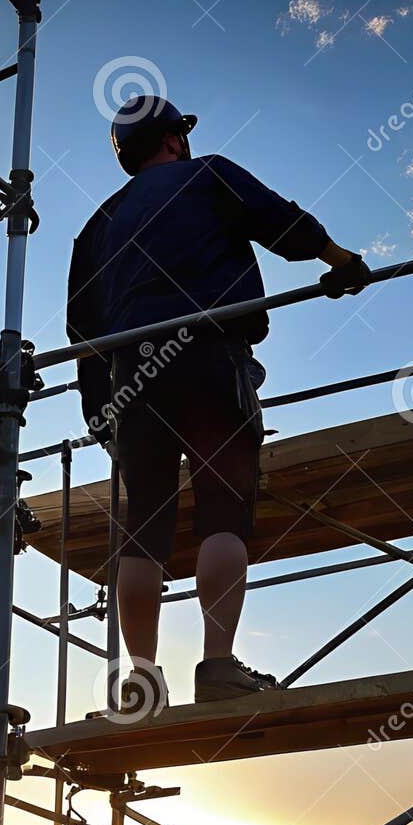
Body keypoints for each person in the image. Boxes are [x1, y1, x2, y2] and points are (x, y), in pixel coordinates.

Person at [67, 94, 369, 713]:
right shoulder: (206, 176)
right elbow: (284, 225)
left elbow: (84, 337)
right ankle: (218, 667)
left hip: (132, 377)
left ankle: (140, 684)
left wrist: (102, 415)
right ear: (173, 139)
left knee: (143, 528)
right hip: (208, 358)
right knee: (223, 511)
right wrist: (343, 263)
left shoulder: (96, 227)